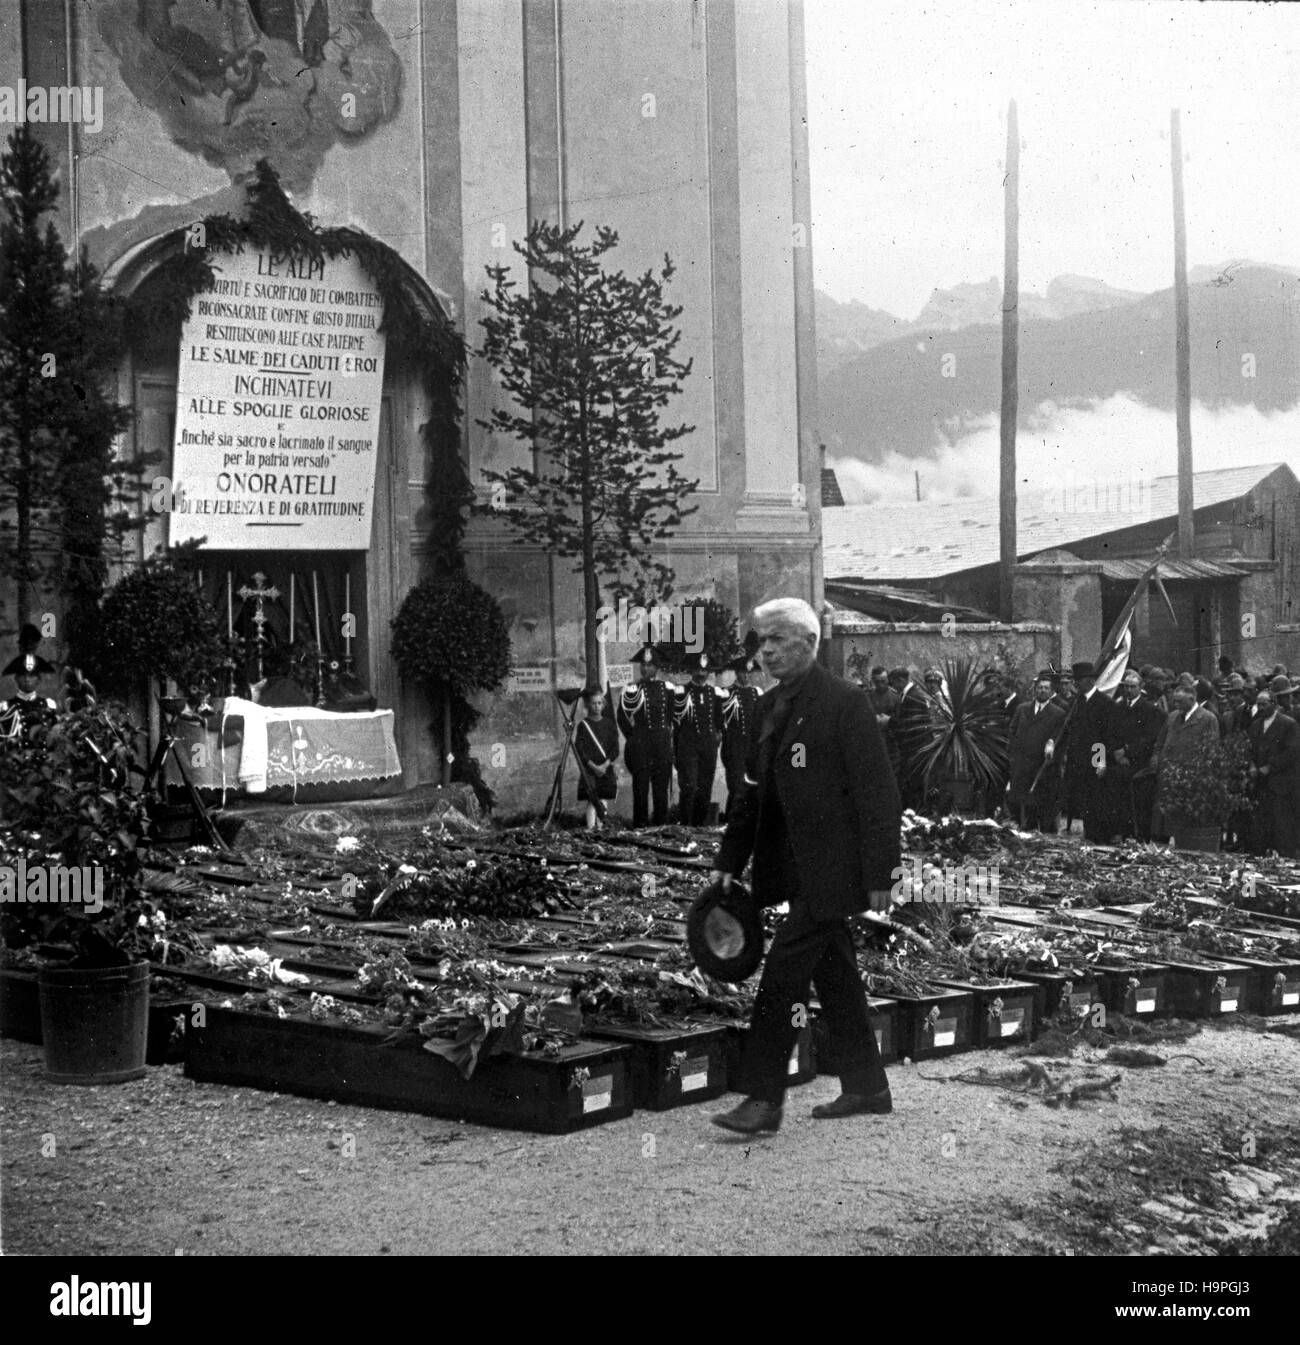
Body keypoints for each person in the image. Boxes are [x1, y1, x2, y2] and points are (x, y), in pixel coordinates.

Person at [710, 598, 900, 1135]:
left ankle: (762, 1098)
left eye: (776, 640)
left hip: (835, 870)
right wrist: (730, 860)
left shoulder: (845, 702)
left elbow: (878, 792)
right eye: (760, 641)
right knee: (835, 973)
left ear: (809, 644)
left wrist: (883, 872)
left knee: (781, 976)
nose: (764, 650)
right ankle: (867, 1086)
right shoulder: (765, 707)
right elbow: (752, 795)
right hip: (794, 871)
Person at [616, 645, 681, 827]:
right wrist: (633, 736)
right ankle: (640, 828)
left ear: (657, 667)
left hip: (661, 744)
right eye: (642, 666)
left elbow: (672, 715)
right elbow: (621, 716)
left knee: (660, 790)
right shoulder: (631, 688)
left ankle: (660, 827)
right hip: (640, 745)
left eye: (650, 665)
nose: (645, 669)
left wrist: (666, 735)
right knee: (640, 789)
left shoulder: (668, 688)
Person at [1061, 661, 1119, 841]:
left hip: (1095, 759)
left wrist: (1100, 761)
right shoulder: (1075, 702)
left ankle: (1098, 836)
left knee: (1096, 798)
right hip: (1077, 759)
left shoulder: (1104, 703)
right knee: (1082, 799)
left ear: (1089, 681)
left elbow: (1105, 735)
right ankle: (1088, 833)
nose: (1076, 684)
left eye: (1079, 680)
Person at [1110, 668, 1166, 841]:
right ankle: (1123, 832)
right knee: (1120, 799)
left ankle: (1141, 836)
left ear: (1140, 687)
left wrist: (1127, 751)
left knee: (1141, 803)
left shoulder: (1150, 710)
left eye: (1132, 687)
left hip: (1140, 762)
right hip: (1120, 760)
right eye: (1126, 687)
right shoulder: (1118, 707)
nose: (1128, 690)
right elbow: (1111, 733)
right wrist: (1118, 752)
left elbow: (1149, 738)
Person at [1005, 671, 1065, 831]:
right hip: (1022, 767)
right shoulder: (1022, 709)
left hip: (1042, 770)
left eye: (1046, 688)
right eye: (1039, 688)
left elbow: (1059, 740)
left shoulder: (1058, 713)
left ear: (1052, 692)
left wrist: (1051, 754)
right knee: (1022, 810)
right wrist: (1013, 756)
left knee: (1044, 812)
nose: (1042, 691)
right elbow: (1011, 732)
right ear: (1034, 689)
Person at [674, 652, 727, 826]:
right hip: (688, 745)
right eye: (698, 670)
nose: (701, 675)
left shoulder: (715, 693)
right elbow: (676, 721)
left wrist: (716, 737)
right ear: (692, 671)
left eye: (704, 671)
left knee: (705, 788)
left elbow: (720, 720)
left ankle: (699, 827)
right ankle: (686, 826)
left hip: (708, 747)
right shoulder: (682, 692)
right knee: (689, 786)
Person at [1246, 688, 1299, 858]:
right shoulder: (1255, 726)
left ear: (1273, 704)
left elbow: (1291, 752)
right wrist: (1252, 765)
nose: (1261, 708)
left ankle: (1286, 859)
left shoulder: (1288, 724)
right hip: (1260, 785)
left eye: (1264, 704)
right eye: (1258, 704)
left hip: (1281, 784)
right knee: (1261, 826)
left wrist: (1269, 767)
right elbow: (1249, 750)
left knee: (1282, 826)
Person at [719, 650, 763, 820]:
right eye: (743, 672)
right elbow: (721, 720)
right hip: (734, 747)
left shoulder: (756, 693)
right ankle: (730, 822)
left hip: (751, 748)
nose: (747, 676)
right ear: (737, 673)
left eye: (749, 673)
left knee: (750, 789)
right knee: (736, 788)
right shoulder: (726, 693)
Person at [574, 685, 619, 830]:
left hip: (605, 768)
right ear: (588, 704)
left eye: (600, 703)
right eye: (593, 703)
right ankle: (590, 828)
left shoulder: (609, 724)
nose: (597, 706)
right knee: (592, 800)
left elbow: (615, 749)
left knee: (603, 798)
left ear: (603, 704)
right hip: (591, 769)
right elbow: (580, 750)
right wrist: (593, 766)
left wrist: (605, 765)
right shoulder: (584, 725)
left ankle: (601, 828)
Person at [0, 629, 60, 738]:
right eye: (23, 675)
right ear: (16, 678)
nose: (27, 679)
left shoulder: (49, 705)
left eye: (32, 675)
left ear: (39, 679)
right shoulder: (6, 707)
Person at [887, 665, 929, 811]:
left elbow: (911, 726)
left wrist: (888, 722)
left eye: (893, 683)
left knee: (913, 787)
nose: (893, 688)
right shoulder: (910, 695)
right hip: (912, 752)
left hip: (914, 751)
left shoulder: (913, 696)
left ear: (900, 680)